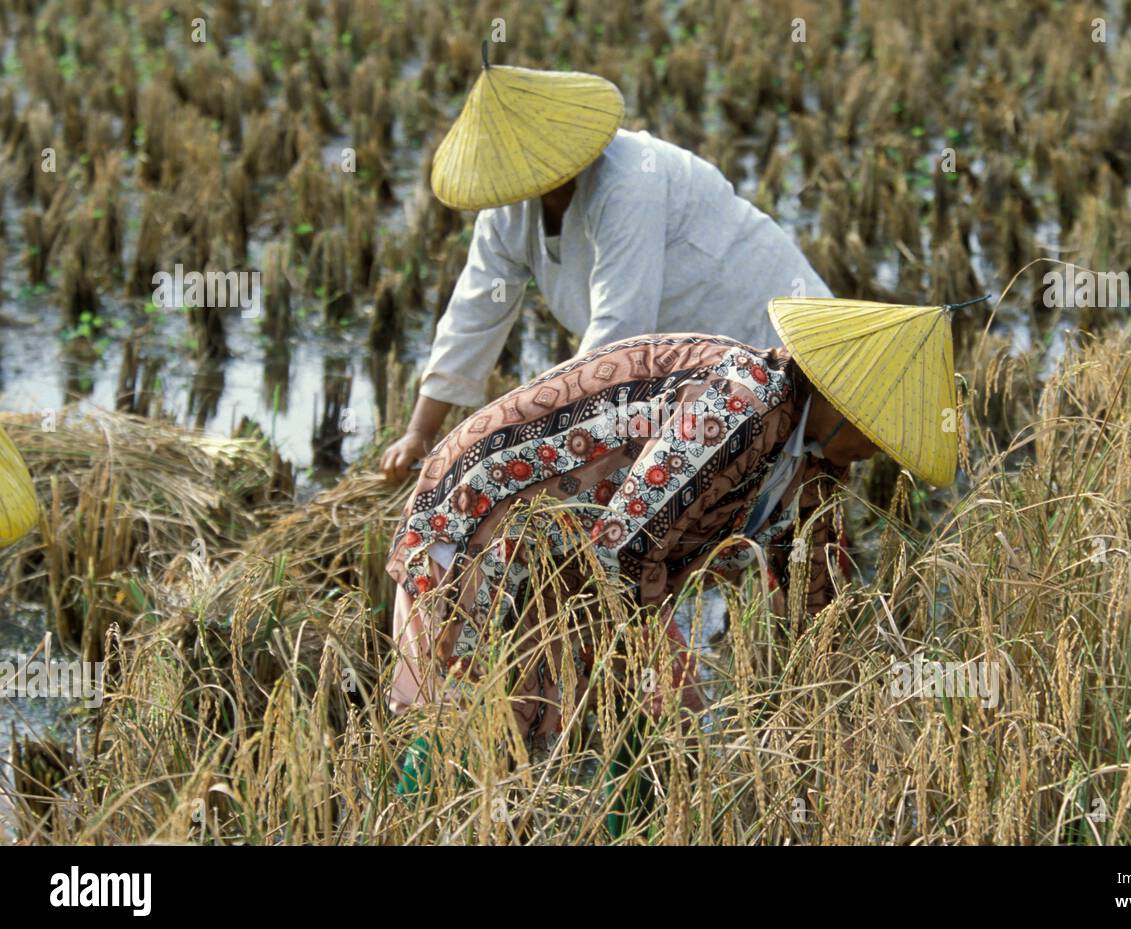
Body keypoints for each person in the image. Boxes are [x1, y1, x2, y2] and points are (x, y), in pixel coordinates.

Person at [384, 297, 960, 752]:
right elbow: (624, 549)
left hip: (572, 556)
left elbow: (808, 578)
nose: (880, 455)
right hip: (489, 517)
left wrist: (822, 693)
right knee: (465, 729)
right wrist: (667, 672)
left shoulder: (815, 457)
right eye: (882, 439)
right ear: (847, 406)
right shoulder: (741, 405)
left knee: (553, 731)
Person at [380, 52, 831, 483]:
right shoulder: (506, 213)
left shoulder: (631, 180)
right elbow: (473, 316)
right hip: (689, 367)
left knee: (781, 487)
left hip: (767, 336)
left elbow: (620, 332)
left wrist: (538, 438)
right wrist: (421, 433)